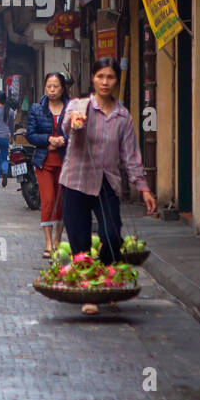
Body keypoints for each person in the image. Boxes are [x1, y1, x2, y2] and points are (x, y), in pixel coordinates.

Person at [60, 58, 158, 314]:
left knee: (112, 236)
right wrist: (74, 121)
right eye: (100, 76)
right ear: (93, 78)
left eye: (110, 77)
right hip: (76, 181)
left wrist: (144, 188)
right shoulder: (79, 105)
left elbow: (130, 155)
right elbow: (66, 125)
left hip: (106, 183)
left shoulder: (122, 116)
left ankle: (106, 280)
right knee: (79, 242)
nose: (105, 82)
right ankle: (89, 295)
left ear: (116, 81)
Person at [27, 72, 69, 258]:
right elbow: (30, 134)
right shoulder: (37, 109)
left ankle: (58, 239)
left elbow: (79, 130)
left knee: (61, 203)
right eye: (49, 86)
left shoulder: (71, 108)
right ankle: (48, 242)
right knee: (48, 200)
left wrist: (63, 140)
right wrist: (48, 139)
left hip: (66, 162)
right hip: (44, 161)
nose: (52, 90)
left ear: (62, 87)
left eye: (56, 86)